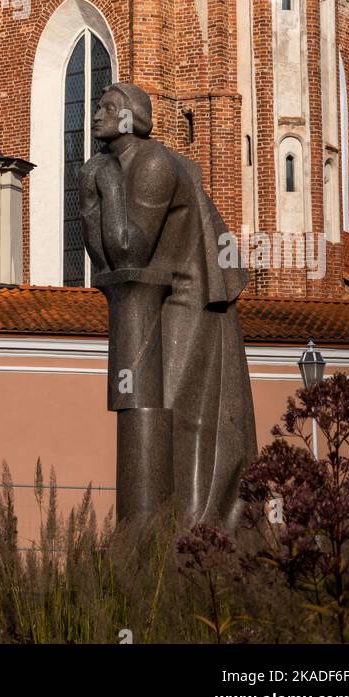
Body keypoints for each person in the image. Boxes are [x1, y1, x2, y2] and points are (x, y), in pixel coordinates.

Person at [80, 82, 256, 528]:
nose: (96, 115)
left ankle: (194, 528)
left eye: (105, 108)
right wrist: (92, 193)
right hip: (152, 301)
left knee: (179, 412)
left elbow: (127, 249)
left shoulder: (154, 162)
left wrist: (101, 183)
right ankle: (159, 530)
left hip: (189, 303)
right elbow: (108, 265)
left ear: (128, 118)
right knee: (151, 407)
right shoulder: (120, 163)